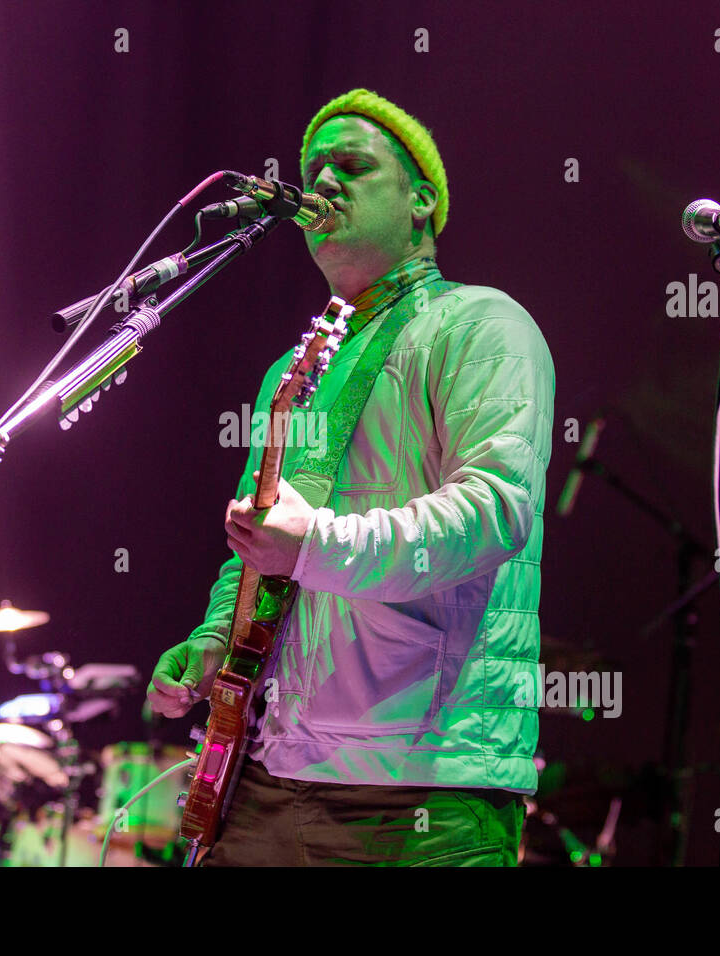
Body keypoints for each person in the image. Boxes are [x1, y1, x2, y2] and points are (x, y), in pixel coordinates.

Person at [147, 89, 555, 866]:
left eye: (353, 167)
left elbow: (496, 511)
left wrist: (314, 542)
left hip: (423, 785)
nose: (323, 183)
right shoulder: (293, 372)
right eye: (312, 169)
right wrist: (210, 645)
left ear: (422, 201)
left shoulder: (483, 324)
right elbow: (260, 549)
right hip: (270, 772)